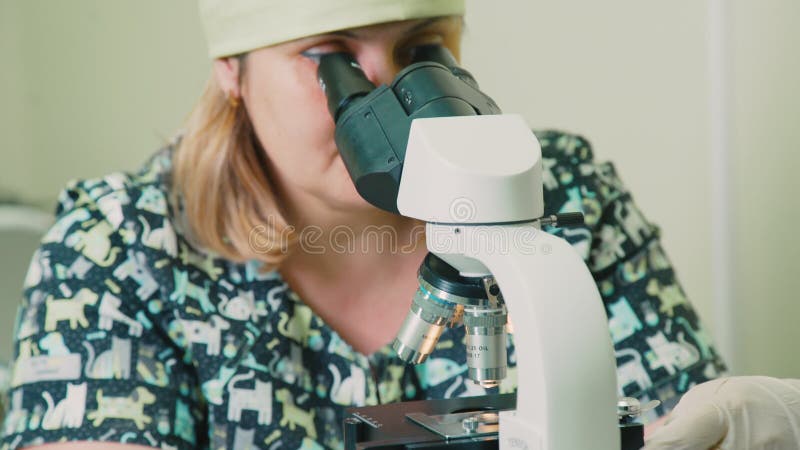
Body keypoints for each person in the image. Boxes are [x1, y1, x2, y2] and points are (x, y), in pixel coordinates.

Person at [2, 1, 795, 449]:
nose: (386, 100)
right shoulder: (118, 247)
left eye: (421, 51)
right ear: (232, 74)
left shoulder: (565, 192)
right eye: (330, 60)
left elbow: (673, 423)